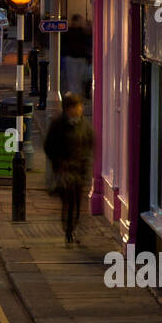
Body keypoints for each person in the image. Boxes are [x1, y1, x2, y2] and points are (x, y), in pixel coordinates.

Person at [43, 93, 94, 246]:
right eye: (76, 107)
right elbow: (49, 146)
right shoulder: (58, 124)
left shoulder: (84, 125)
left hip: (79, 170)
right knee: (67, 202)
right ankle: (68, 230)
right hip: (64, 171)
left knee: (77, 202)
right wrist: (58, 162)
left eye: (80, 107)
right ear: (67, 109)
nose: (79, 109)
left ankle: (73, 227)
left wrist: (86, 164)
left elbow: (89, 144)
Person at [59, 14, 92, 100]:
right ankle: (75, 99)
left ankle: (77, 98)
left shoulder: (82, 32)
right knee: (74, 80)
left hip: (79, 58)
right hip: (72, 58)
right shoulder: (71, 32)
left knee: (78, 80)